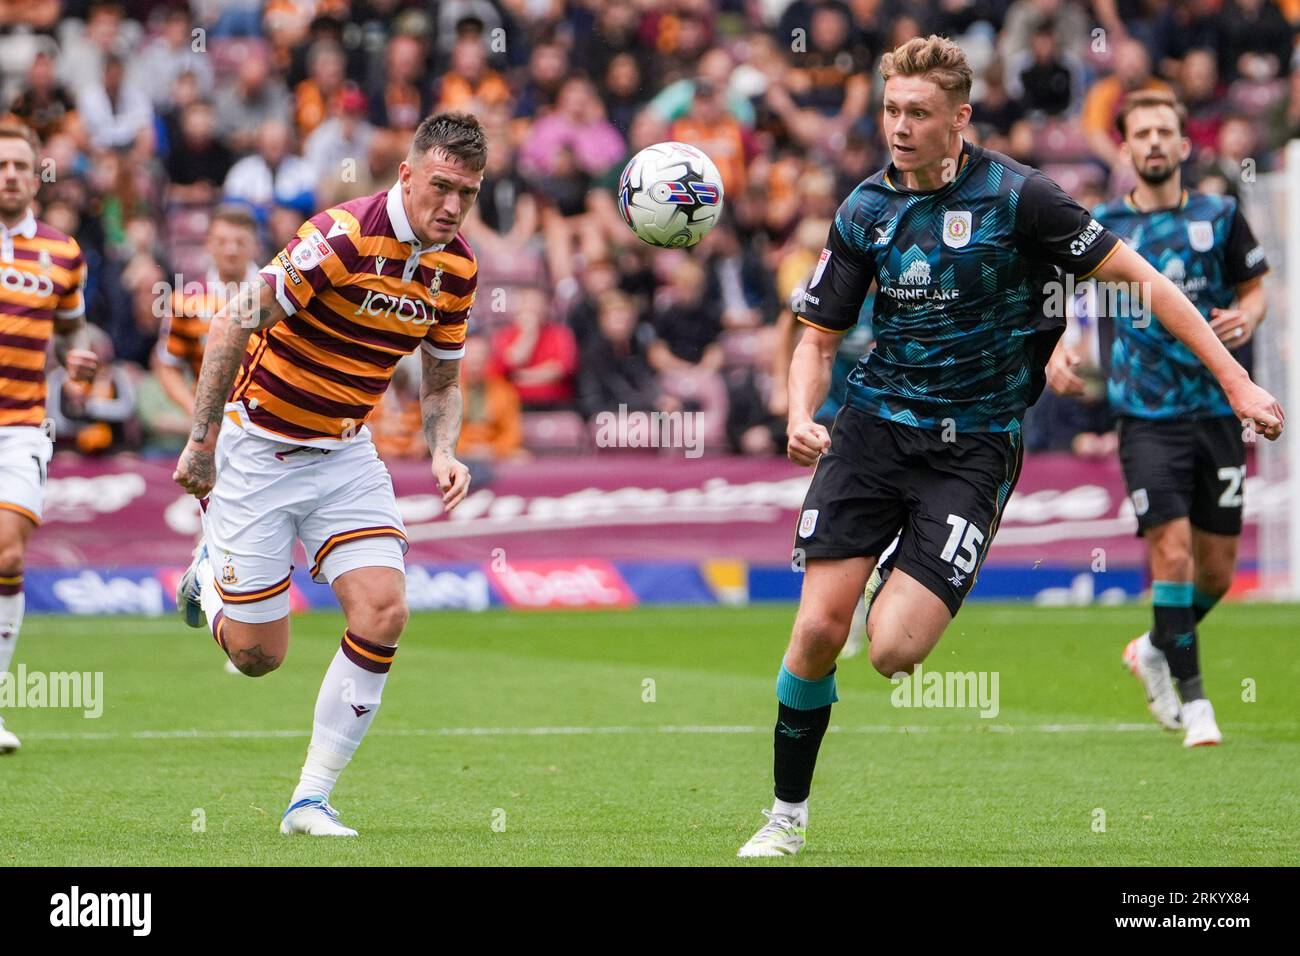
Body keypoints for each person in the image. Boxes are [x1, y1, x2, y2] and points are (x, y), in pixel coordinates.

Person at [736, 35, 1284, 858]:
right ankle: (785, 817)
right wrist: (799, 411)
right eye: (890, 109)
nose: (899, 126)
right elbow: (816, 336)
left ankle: (900, 576)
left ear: (960, 118)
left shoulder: (1023, 199)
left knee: (892, 651)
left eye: (918, 112)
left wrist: (1237, 384)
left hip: (975, 450)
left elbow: (1148, 283)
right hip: (873, 432)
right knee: (817, 631)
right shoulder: (863, 211)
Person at [171, 113, 483, 836]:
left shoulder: (458, 266)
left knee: (384, 609)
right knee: (257, 658)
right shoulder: (343, 235)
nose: (451, 205)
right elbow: (236, 318)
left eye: (466, 193)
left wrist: (442, 450)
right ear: (406, 174)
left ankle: (309, 799)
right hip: (260, 449)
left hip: (345, 453)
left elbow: (441, 382)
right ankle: (209, 573)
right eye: (441, 186)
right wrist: (201, 441)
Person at [1049, 91, 1271, 747]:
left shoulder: (1221, 214)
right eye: (1140, 131)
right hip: (1145, 417)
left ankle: (1152, 646)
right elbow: (1064, 291)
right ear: (1124, 147)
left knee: (1217, 571)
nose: (1151, 141)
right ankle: (1196, 703)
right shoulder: (1106, 227)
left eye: (1163, 131)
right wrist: (1062, 342)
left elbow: (1256, 288)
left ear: (1183, 145)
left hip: (1216, 412)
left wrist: (1248, 316)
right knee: (1171, 552)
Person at [0, 124, 98, 754]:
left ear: (38, 176)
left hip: (20, 426)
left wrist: (80, 367)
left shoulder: (63, 252)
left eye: (19, 166)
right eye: (0, 164)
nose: (9, 174)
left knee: (7, 556)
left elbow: (72, 337)